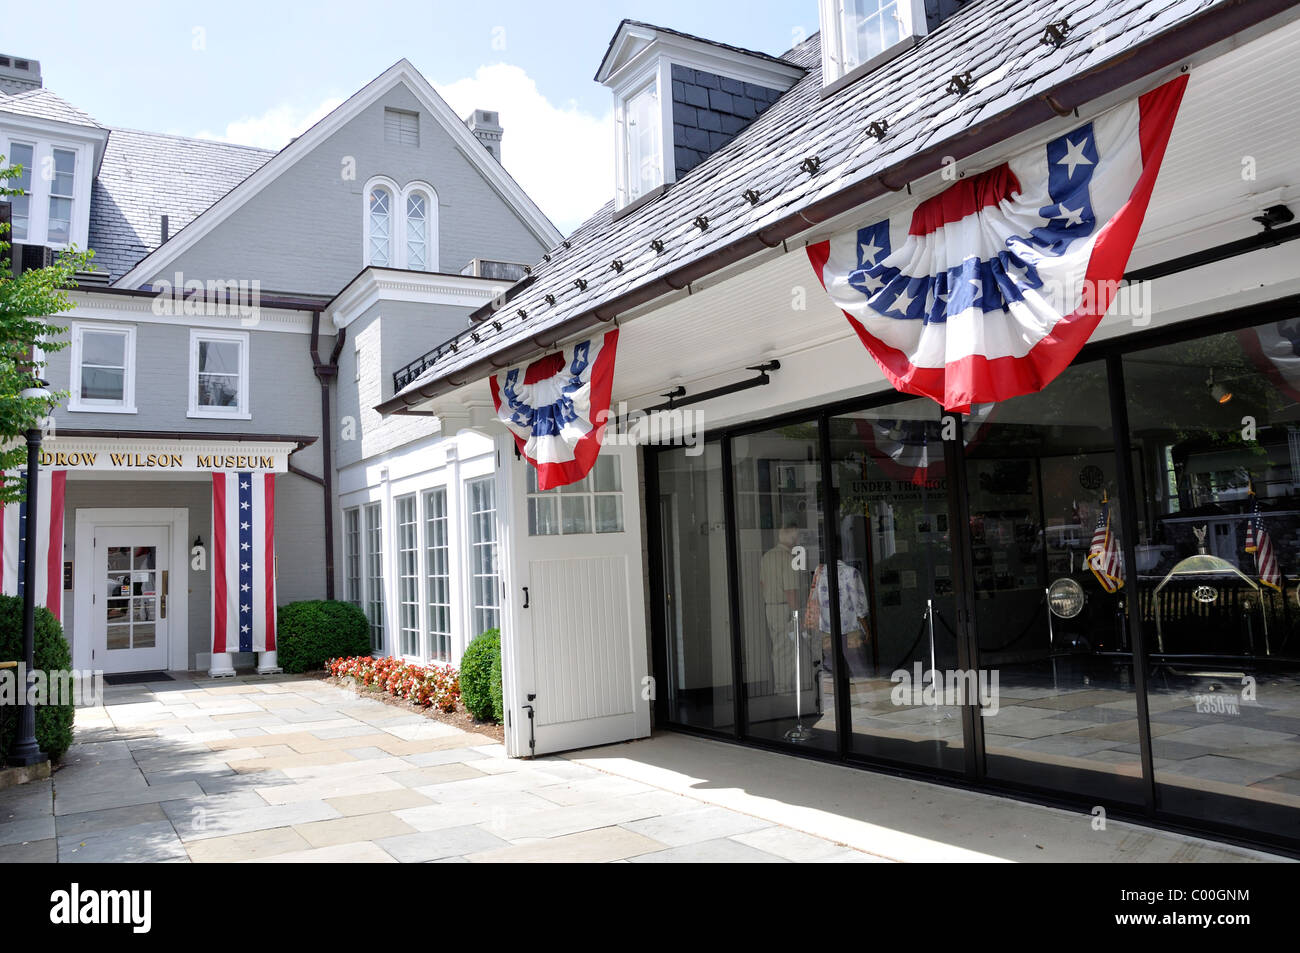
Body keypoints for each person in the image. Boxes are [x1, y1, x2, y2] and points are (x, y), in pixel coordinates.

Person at [759, 521, 803, 693]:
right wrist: (796, 614)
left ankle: (780, 686)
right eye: (797, 534)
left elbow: (763, 583)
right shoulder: (787, 558)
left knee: (778, 648)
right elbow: (790, 590)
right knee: (787, 650)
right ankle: (784, 688)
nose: (798, 538)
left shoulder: (767, 556)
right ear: (791, 536)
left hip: (770, 607)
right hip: (784, 608)